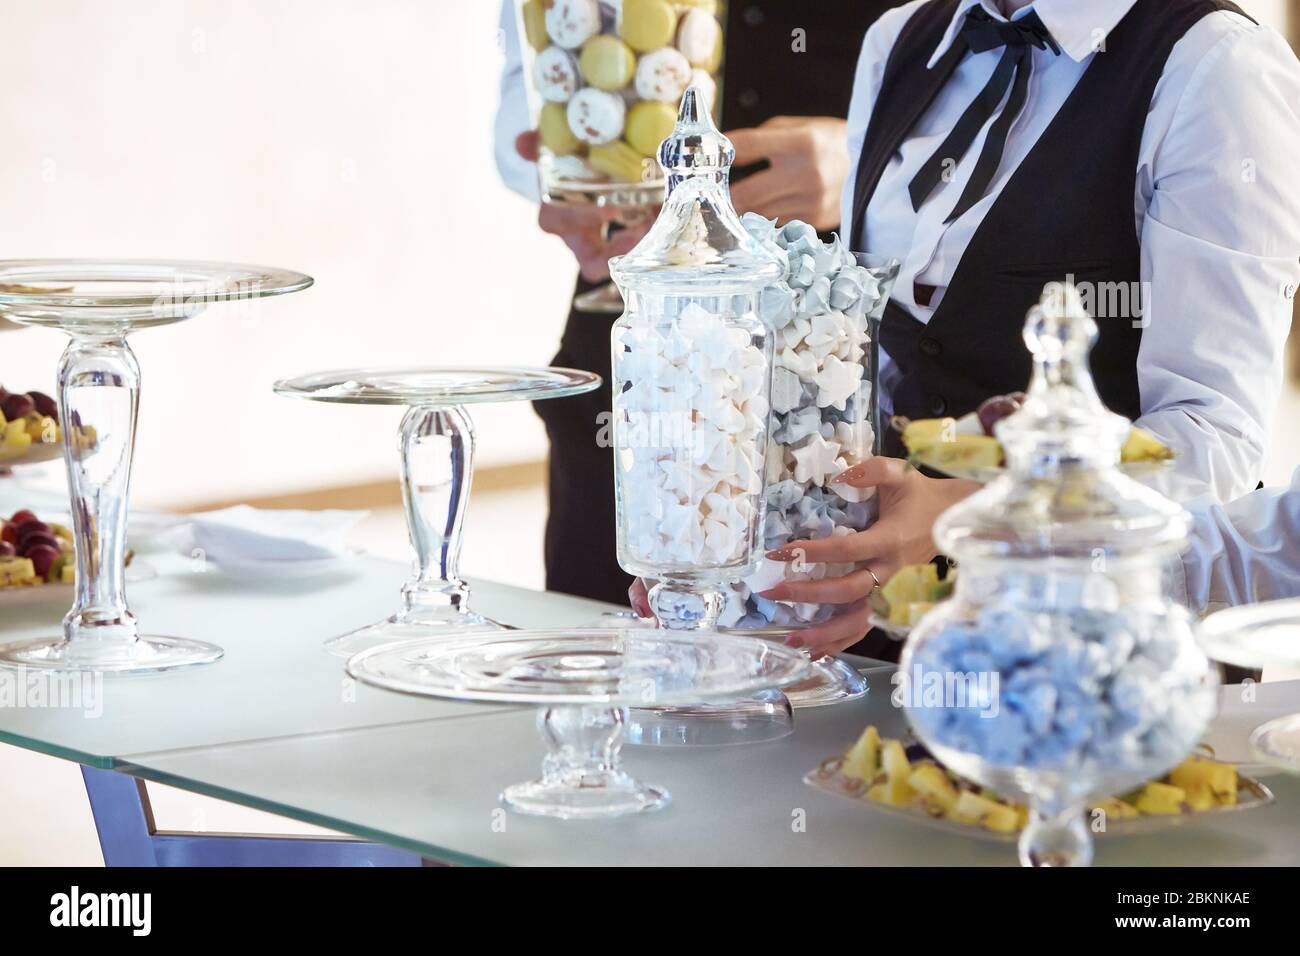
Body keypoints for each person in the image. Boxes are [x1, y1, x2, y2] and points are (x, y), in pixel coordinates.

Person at [752, 0, 1300, 658]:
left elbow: (1211, 447)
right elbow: (878, 368)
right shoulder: (899, 39)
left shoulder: (1218, 69)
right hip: (882, 643)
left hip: (1096, 663)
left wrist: (980, 519)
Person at [495, 1, 900, 606]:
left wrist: (866, 158)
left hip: (839, 376)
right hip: (636, 370)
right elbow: (522, 105)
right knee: (610, 657)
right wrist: (568, 180)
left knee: (821, 660)